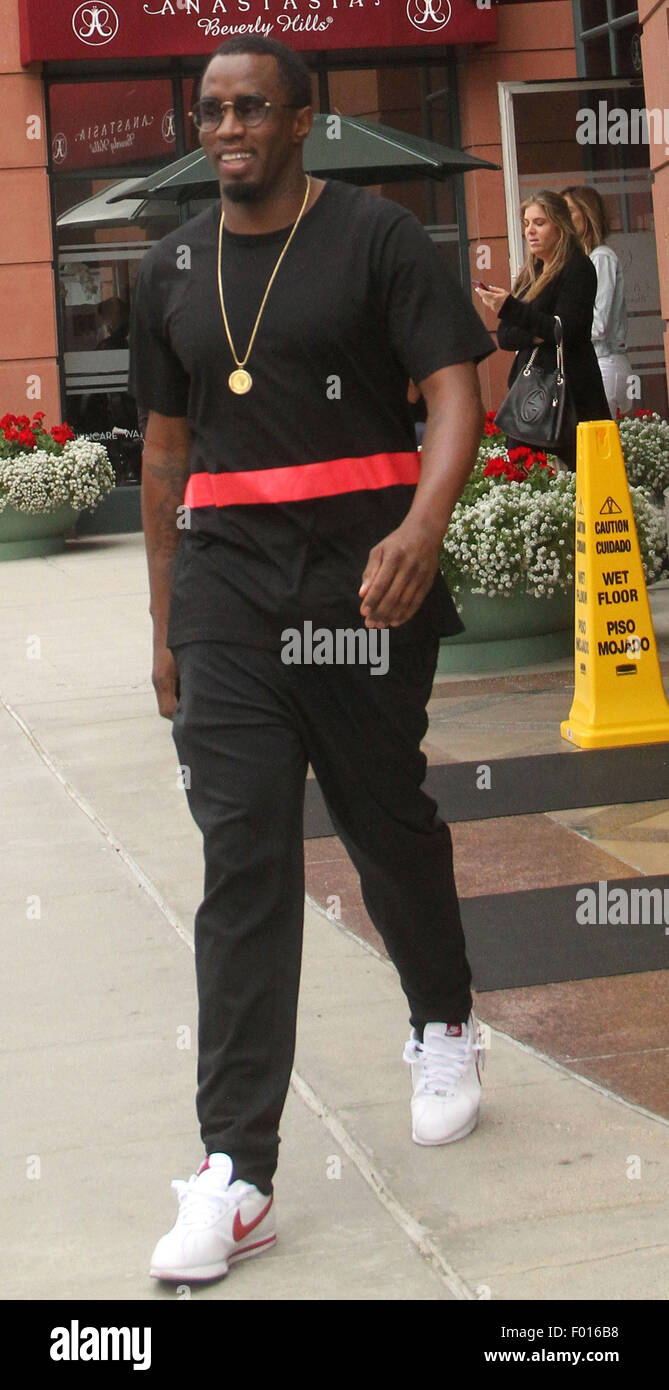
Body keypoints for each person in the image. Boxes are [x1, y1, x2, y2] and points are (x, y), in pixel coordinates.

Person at [130, 35, 495, 1286]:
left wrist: (421, 527)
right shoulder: (170, 265)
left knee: (385, 820)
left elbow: (458, 394)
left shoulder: (379, 240)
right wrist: (167, 622)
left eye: (251, 109)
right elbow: (167, 455)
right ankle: (236, 1171)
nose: (226, 127)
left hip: (363, 581)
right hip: (229, 591)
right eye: (211, 109)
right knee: (242, 855)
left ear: (303, 121)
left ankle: (441, 1018)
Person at [475, 189, 610, 470]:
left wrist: (514, 311)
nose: (530, 231)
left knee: (587, 476)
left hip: (572, 391)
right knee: (522, 472)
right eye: (526, 224)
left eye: (539, 222)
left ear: (559, 225)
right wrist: (535, 329)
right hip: (531, 392)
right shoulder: (531, 272)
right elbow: (506, 336)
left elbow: (567, 330)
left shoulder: (577, 267)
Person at [561, 184, 632, 419]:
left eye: (569, 210)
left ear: (587, 213)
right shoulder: (584, 259)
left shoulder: (600, 258)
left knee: (600, 444)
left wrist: (556, 329)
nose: (564, 218)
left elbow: (598, 323)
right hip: (594, 362)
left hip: (604, 362)